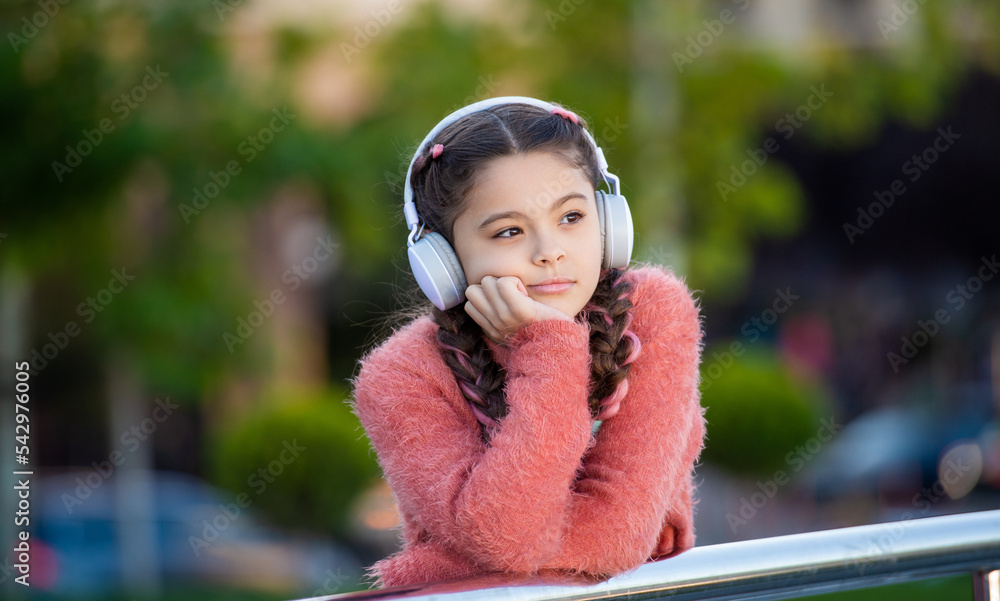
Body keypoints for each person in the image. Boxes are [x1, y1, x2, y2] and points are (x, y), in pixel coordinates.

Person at [348, 96, 706, 589]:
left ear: (608, 219)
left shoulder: (653, 314)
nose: (550, 252)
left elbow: (616, 539)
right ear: (444, 260)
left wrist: (458, 560)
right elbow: (508, 539)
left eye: (572, 218)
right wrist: (550, 349)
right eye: (510, 231)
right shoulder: (399, 376)